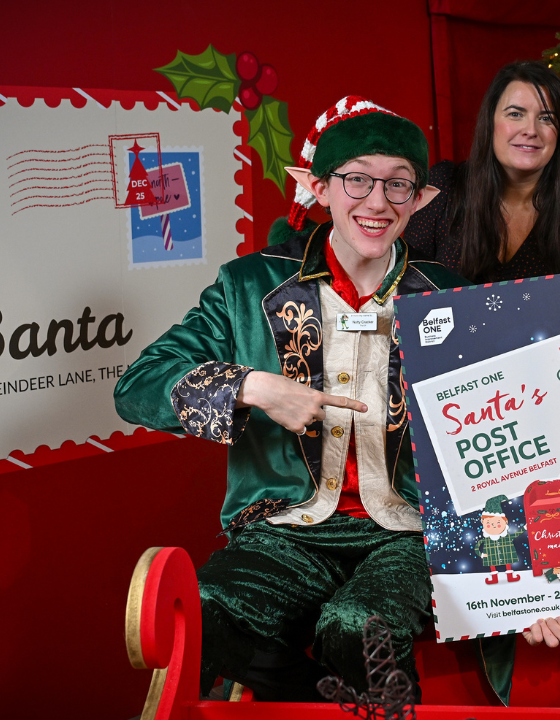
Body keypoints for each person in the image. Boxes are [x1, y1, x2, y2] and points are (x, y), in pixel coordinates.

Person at [114, 96, 467, 701]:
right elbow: (137, 387)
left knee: (359, 628)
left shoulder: (450, 297)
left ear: (421, 199)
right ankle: (319, 702)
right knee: (199, 612)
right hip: (285, 528)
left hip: (410, 533)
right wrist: (255, 388)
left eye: (398, 186)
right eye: (356, 179)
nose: (377, 202)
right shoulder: (249, 285)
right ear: (319, 188)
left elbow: (519, 409)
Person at [402, 60, 560, 282]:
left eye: (546, 118)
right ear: (491, 121)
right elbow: (408, 288)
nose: (531, 130)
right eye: (515, 114)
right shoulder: (444, 186)